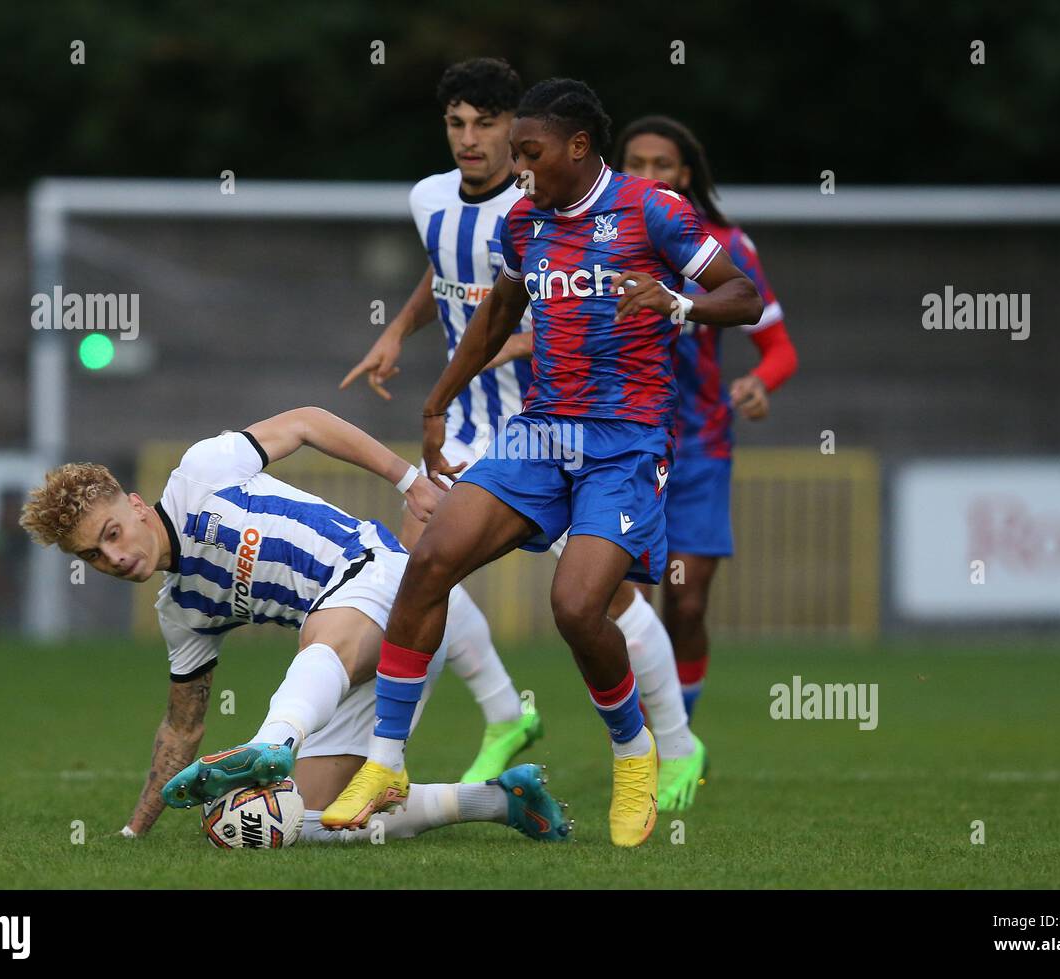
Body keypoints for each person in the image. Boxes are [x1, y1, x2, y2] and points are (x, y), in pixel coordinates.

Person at [324, 78, 762, 847]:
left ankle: (635, 750)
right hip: (539, 433)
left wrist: (677, 303)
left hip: (625, 444)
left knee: (576, 606)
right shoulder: (527, 222)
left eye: (531, 152)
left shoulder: (651, 210)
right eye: (515, 153)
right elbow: (498, 313)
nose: (519, 168)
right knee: (429, 562)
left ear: (579, 147)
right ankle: (387, 758)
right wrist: (437, 403)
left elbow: (744, 294)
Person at [17, 406, 569, 843]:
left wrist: (408, 480)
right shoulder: (180, 610)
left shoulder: (201, 472)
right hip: (351, 667)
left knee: (319, 635)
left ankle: (269, 741)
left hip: (383, 578)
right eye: (92, 555)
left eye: (111, 533)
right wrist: (135, 830)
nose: (111, 557)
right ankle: (497, 802)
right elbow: (182, 728)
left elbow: (307, 421)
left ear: (136, 505)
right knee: (292, 824)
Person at [616, 115, 797, 724]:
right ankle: (641, 745)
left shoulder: (722, 245)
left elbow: (780, 349)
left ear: (685, 174)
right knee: (627, 607)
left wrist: (756, 384)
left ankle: (681, 733)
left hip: (699, 452)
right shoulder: (601, 239)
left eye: (661, 165)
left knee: (686, 607)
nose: (648, 176)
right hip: (628, 448)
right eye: (635, 164)